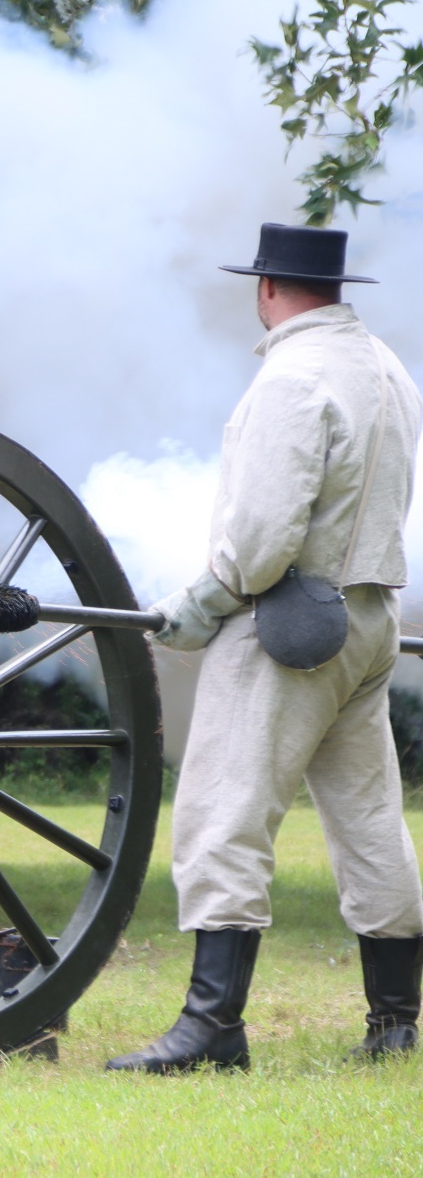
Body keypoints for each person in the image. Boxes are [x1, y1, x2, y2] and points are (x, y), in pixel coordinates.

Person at [108, 223, 423, 1073]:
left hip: (287, 627)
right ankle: (396, 1023)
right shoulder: (388, 368)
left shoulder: (293, 377)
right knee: (369, 820)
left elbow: (260, 536)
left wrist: (200, 604)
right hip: (369, 620)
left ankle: (212, 1027)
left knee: (222, 812)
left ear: (268, 287)